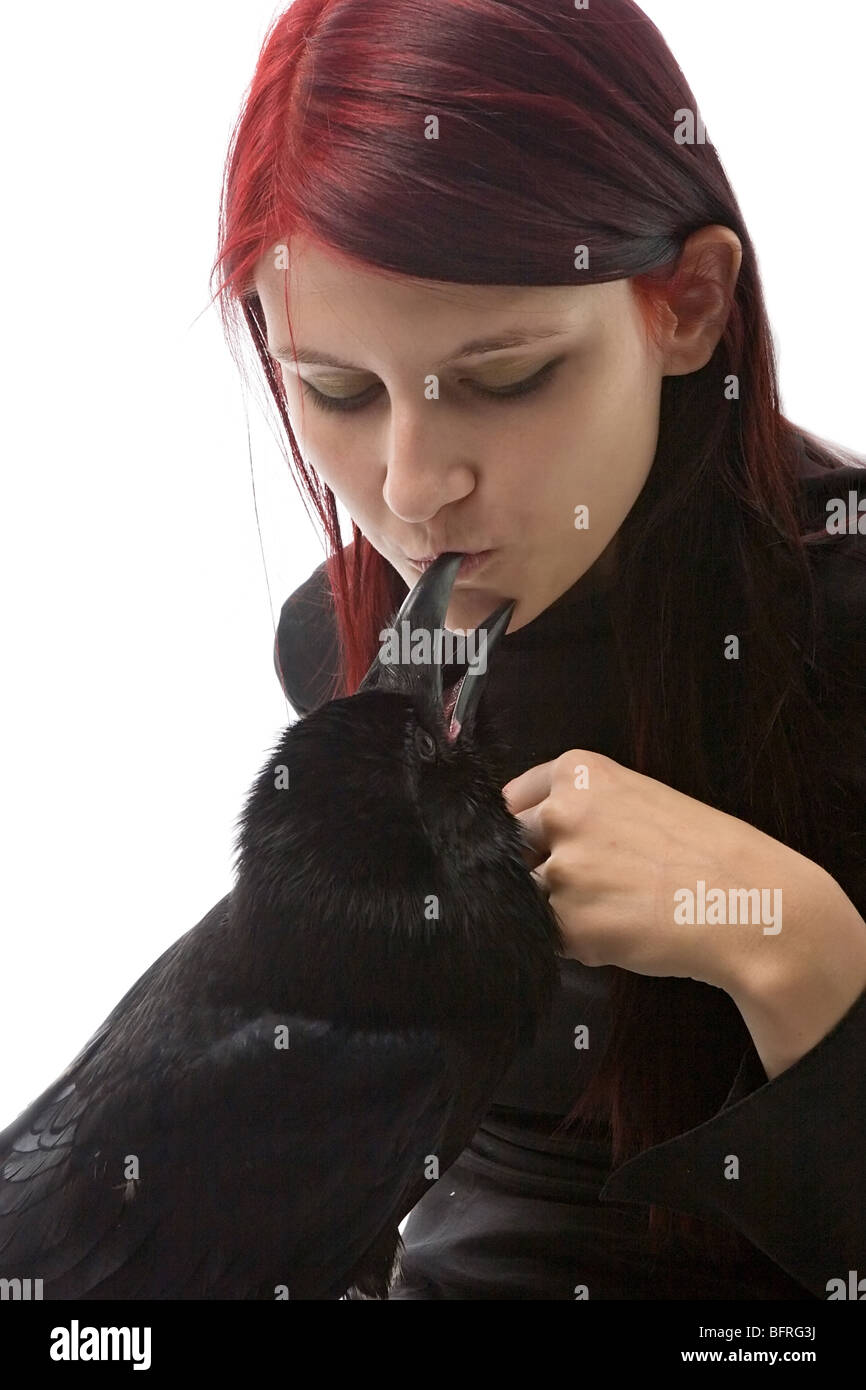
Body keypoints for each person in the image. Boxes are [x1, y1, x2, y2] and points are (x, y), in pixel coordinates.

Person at [209, 0, 866, 1298]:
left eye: (504, 375)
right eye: (334, 389)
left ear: (686, 304)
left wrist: (794, 947)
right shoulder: (341, 647)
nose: (410, 487)